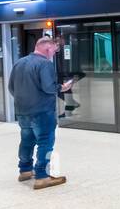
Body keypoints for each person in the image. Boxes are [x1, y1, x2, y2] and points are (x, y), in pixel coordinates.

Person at [8, 36, 73, 189]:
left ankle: (24, 170)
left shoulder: (19, 62)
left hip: (22, 110)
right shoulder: (45, 64)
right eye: (54, 50)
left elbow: (11, 87)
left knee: (27, 140)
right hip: (42, 111)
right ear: (47, 48)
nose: (54, 53)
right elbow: (49, 87)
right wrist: (63, 87)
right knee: (45, 142)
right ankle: (42, 176)